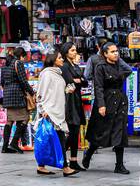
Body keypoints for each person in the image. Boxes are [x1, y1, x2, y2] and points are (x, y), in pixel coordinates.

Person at [85, 41, 132, 174]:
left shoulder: (119, 65)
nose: (116, 53)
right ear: (105, 54)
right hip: (106, 100)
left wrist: (119, 61)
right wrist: (101, 105)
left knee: (120, 132)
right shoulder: (100, 67)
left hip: (120, 100)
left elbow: (128, 71)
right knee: (101, 132)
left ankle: (119, 164)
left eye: (116, 51)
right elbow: (98, 87)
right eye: (112, 52)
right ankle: (89, 152)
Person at [34, 51, 76, 177]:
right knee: (59, 139)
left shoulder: (57, 73)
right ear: (53, 60)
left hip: (58, 111)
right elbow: (41, 93)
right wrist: (43, 110)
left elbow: (56, 90)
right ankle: (65, 168)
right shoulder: (47, 74)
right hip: (50, 112)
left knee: (49, 140)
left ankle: (41, 166)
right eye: (59, 58)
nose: (62, 59)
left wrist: (67, 90)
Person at [0, 45, 32, 154]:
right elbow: (23, 81)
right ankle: (14, 143)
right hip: (17, 94)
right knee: (25, 118)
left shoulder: (5, 64)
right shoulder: (18, 63)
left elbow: (2, 81)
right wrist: (31, 91)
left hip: (7, 94)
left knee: (9, 120)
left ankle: (4, 147)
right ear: (21, 56)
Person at [60, 43, 87, 171]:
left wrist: (78, 80)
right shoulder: (65, 66)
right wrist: (78, 80)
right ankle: (61, 156)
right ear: (66, 52)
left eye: (75, 50)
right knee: (71, 131)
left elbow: (84, 81)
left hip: (76, 99)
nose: (75, 52)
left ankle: (73, 160)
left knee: (75, 131)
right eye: (72, 50)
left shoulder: (75, 66)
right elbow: (69, 81)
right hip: (69, 101)